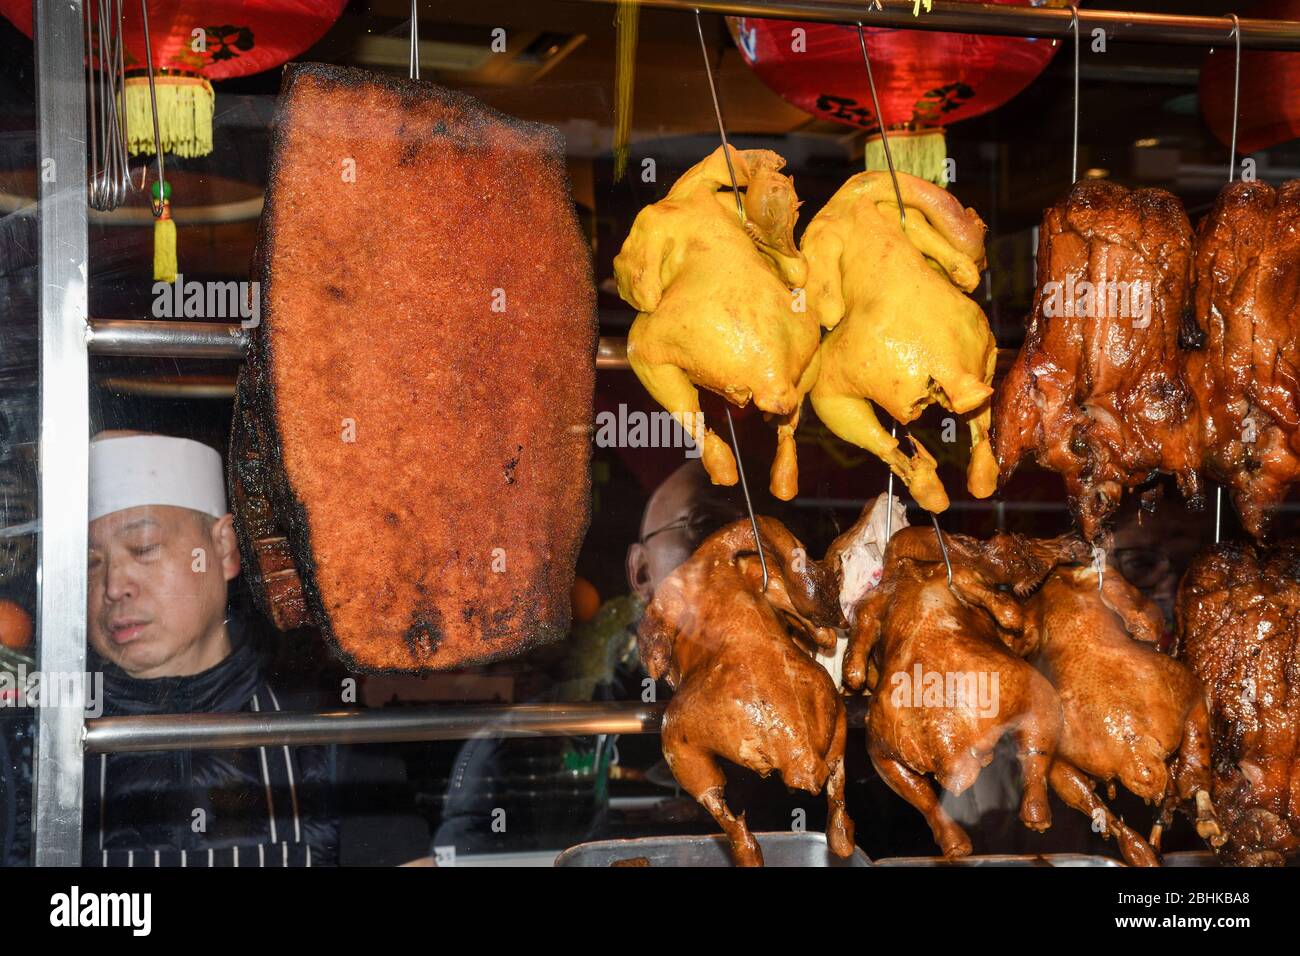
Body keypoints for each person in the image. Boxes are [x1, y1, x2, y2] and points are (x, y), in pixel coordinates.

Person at [0, 431, 338, 866]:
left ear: (223, 548)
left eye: (143, 549)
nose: (114, 587)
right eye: (89, 562)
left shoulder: (328, 734)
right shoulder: (33, 748)